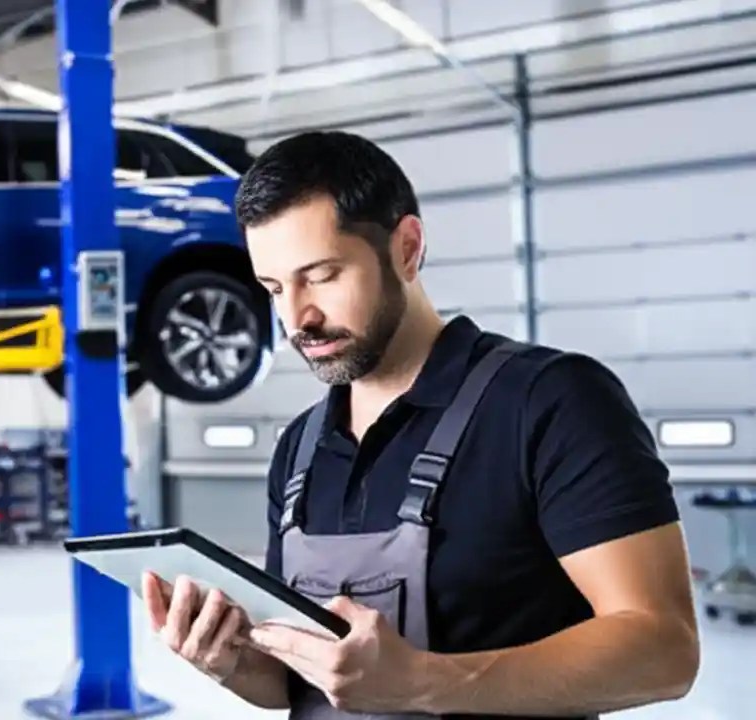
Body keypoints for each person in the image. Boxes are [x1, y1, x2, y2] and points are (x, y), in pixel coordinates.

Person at [141, 131, 700, 719]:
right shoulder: (301, 449)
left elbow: (664, 649)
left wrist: (424, 682)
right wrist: (235, 662)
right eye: (275, 288)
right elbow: (299, 684)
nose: (297, 318)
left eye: (323, 275)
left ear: (407, 248)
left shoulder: (549, 401)